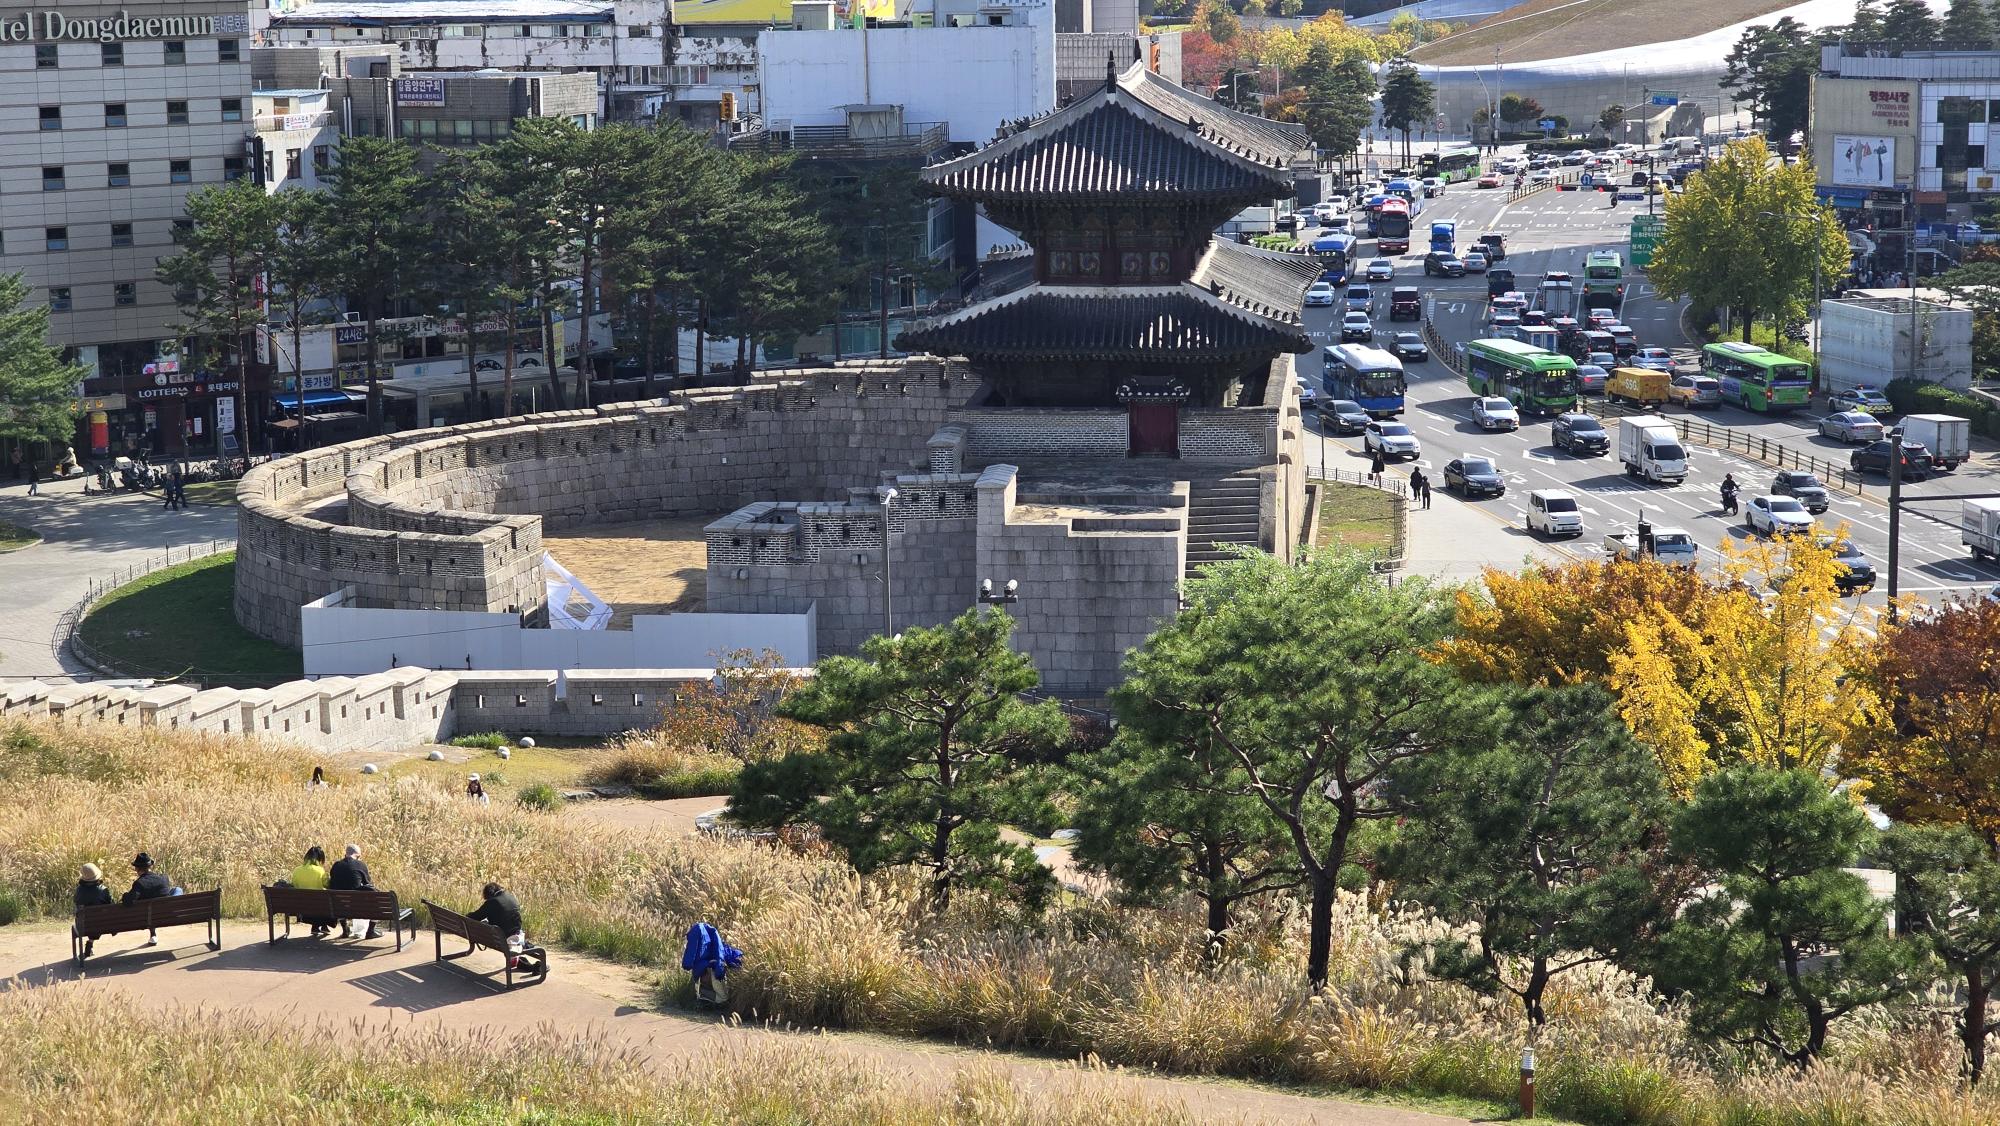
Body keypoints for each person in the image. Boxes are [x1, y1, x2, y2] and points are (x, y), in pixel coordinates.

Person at [469, 882, 532, 972]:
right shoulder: (511, 897)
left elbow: (475, 917)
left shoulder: (492, 902)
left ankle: (520, 960)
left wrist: (467, 915)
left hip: (500, 938)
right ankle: (523, 957)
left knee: (485, 924)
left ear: (489, 894)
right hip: (514, 934)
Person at [328, 843, 379, 940]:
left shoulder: (336, 865)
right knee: (376, 898)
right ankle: (370, 931)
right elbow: (367, 883)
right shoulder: (360, 864)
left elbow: (332, 883)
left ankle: (345, 930)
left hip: (338, 906)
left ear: (345, 854)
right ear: (358, 856)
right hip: (358, 907)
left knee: (339, 896)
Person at [122, 852, 173, 946]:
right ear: (150, 866)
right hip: (169, 913)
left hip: (149, 915)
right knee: (177, 890)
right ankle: (153, 934)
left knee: (148, 900)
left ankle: (153, 934)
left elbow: (128, 902)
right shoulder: (163, 878)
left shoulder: (139, 884)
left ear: (136, 869)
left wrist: (125, 895)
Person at [285, 846, 335, 938]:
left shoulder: (297, 870)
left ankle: (317, 926)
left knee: (315, 903)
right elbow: (327, 885)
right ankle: (323, 925)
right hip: (319, 906)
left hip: (301, 906)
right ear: (319, 859)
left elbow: (294, 885)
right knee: (327, 902)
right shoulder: (320, 871)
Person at [74, 863, 112, 958]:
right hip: (105, 924)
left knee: (92, 921)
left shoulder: (79, 890)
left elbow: (76, 902)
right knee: (99, 919)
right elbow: (110, 905)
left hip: (84, 925)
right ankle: (90, 943)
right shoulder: (103, 890)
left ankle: (90, 944)